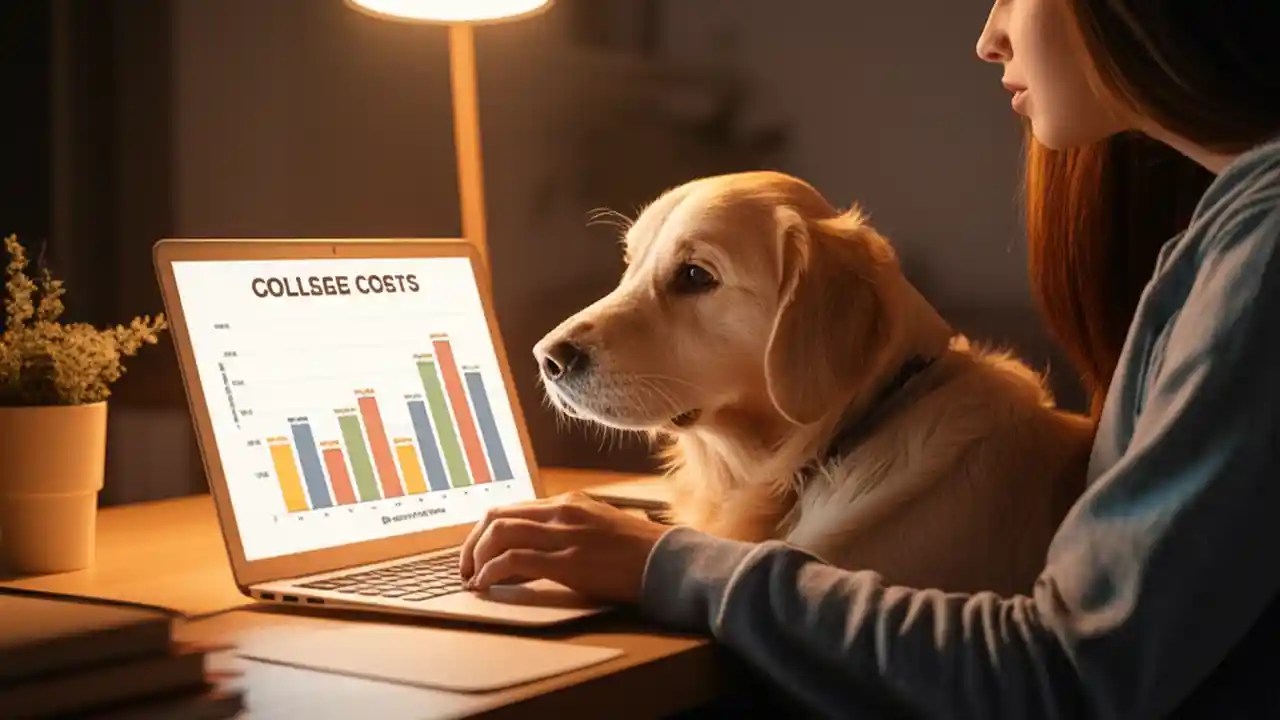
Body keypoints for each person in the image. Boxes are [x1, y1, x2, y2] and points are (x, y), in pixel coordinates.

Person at [458, 0, 1280, 716]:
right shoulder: (1220, 237)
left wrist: (666, 567)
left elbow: (1065, 677)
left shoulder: (1264, 254)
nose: (989, 36)